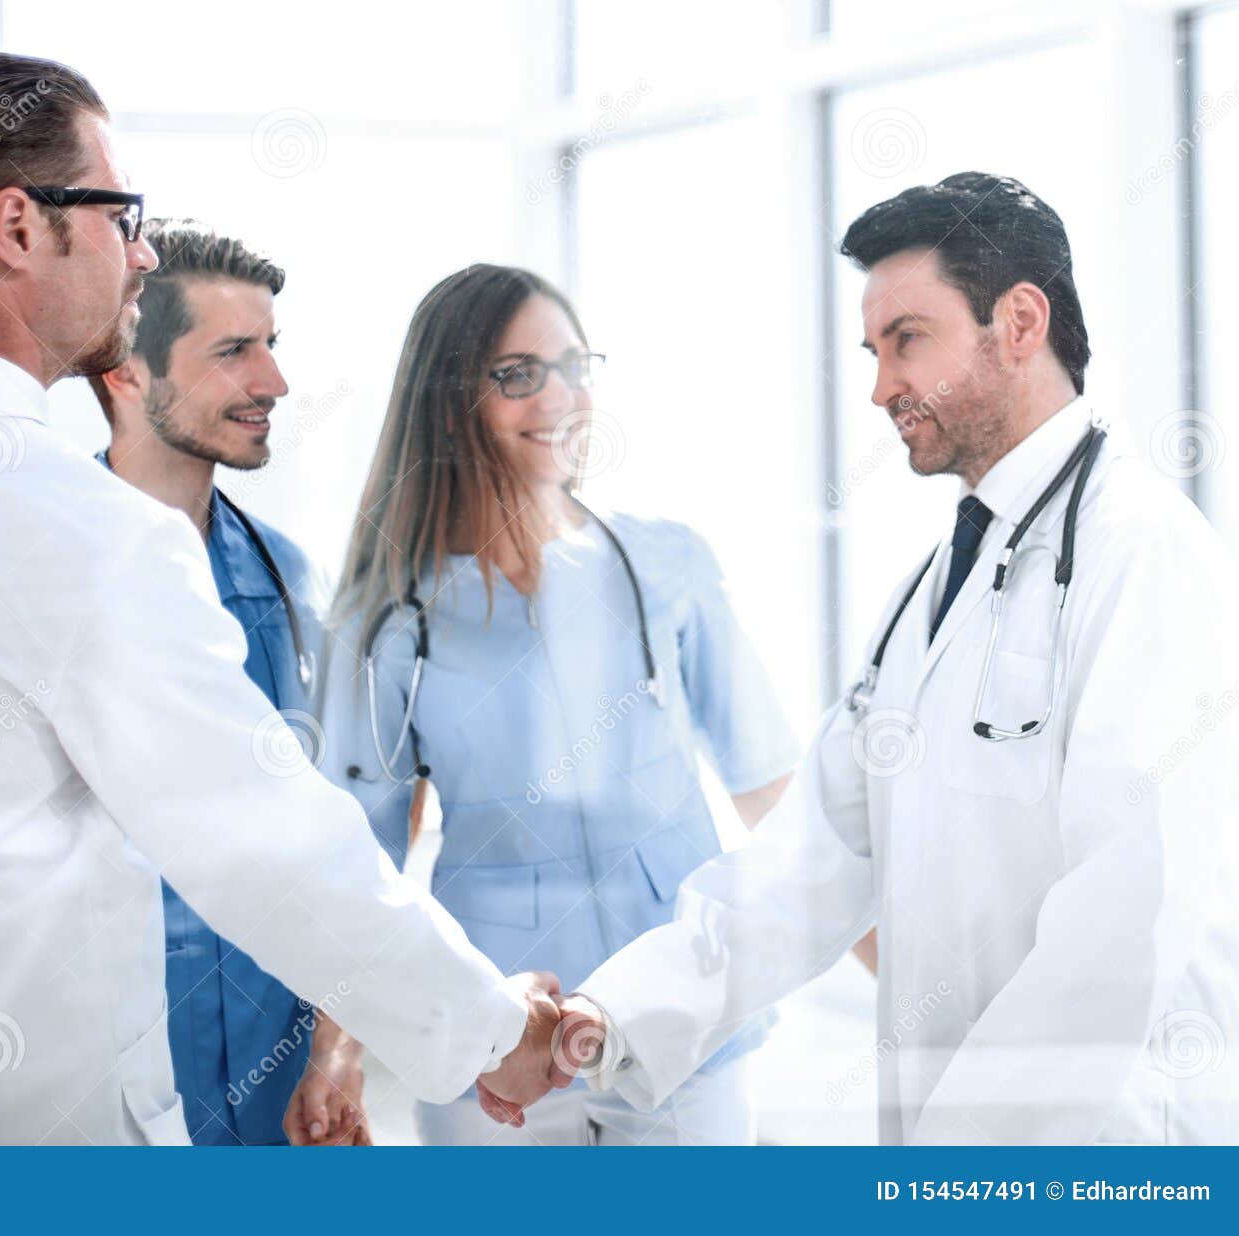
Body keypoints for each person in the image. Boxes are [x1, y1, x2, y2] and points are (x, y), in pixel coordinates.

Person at [0, 51, 573, 1146]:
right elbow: (265, 841)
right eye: (120, 213)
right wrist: (488, 1032)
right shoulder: (84, 531)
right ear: (19, 228)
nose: (142, 253)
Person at [532, 173, 1239, 1145]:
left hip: (1097, 1145)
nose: (879, 388)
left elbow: (1125, 909)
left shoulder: (1142, 556)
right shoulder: (941, 583)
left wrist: (966, 1149)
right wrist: (611, 1022)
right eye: (873, 351)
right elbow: (814, 856)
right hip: (949, 1139)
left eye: (907, 339)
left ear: (1019, 322)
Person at [321, 264, 800, 1145]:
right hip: (493, 1031)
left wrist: (914, 982)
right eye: (517, 374)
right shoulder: (388, 614)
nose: (562, 397)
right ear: (451, 400)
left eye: (576, 366)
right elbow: (355, 860)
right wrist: (335, 1050)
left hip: (677, 1012)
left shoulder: (667, 564)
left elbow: (781, 797)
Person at [86, 219, 363, 1146]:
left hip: (273, 1064)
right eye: (235, 352)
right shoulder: (48, 570)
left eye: (271, 348)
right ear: (126, 369)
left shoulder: (287, 580)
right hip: (106, 1057)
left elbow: (341, 832)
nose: (275, 383)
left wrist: (337, 1049)